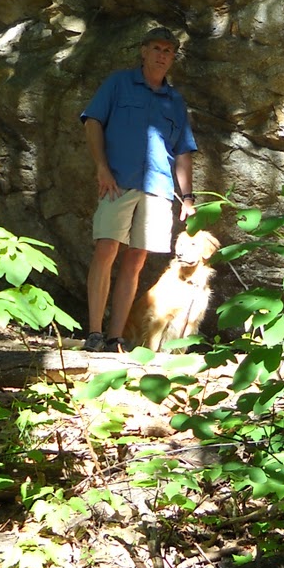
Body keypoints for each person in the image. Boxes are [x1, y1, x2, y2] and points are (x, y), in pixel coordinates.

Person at [79, 26, 197, 351]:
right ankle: (94, 333)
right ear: (143, 51)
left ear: (173, 58)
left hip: (158, 188)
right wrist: (101, 167)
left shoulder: (174, 101)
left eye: (168, 51)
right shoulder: (118, 83)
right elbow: (93, 122)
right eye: (156, 48)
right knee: (106, 248)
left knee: (136, 259)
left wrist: (187, 197)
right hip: (117, 181)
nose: (162, 55)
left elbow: (183, 150)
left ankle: (115, 337)